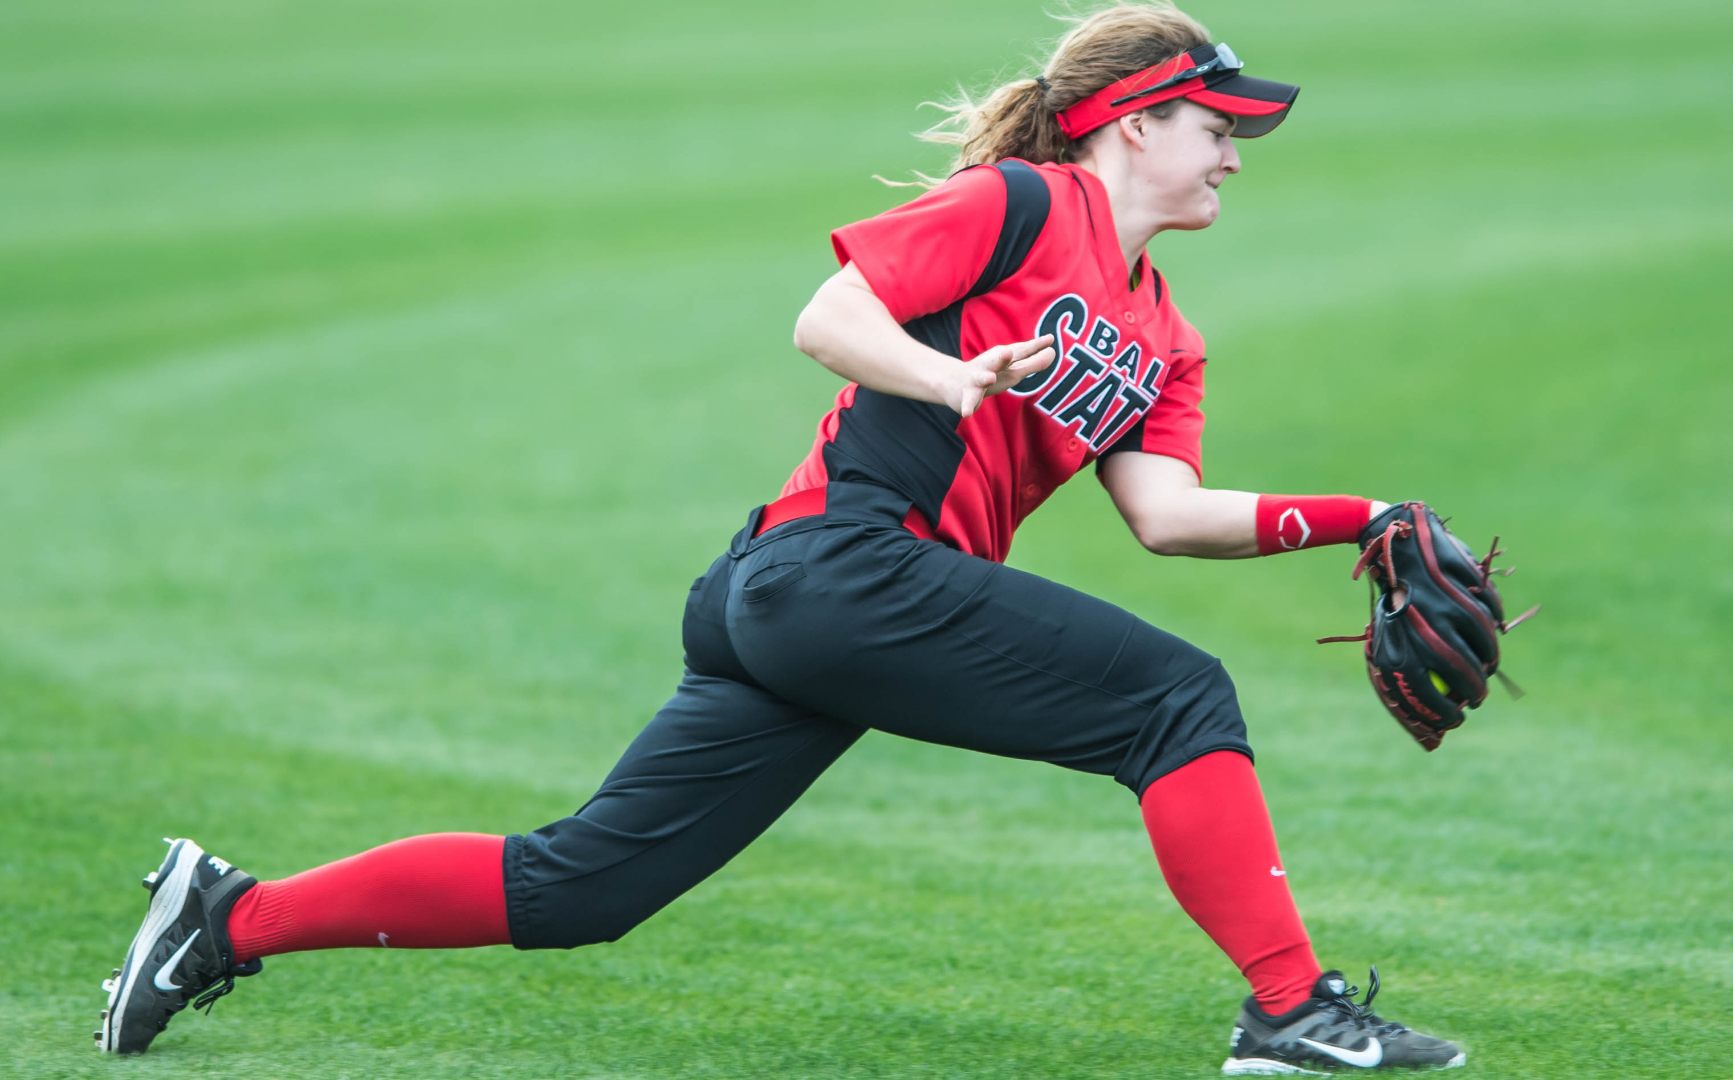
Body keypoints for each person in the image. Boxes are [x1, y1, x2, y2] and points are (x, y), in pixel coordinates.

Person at [96, 4, 1465, 1072]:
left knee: (585, 885)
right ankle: (1291, 1012)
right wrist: (947, 378)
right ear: (1129, 122)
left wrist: (1372, 518)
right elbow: (828, 318)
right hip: (840, 565)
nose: (1234, 151)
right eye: (1214, 124)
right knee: (1176, 698)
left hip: (823, 603)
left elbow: (1168, 516)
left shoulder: (1168, 332)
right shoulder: (1019, 207)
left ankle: (228, 918)